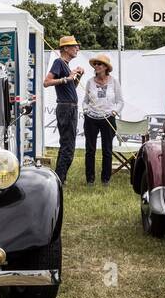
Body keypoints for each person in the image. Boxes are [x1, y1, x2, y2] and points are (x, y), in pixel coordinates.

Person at [43, 35, 84, 183]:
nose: (77, 48)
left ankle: (60, 177)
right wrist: (67, 78)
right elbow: (46, 82)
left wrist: (77, 76)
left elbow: (70, 87)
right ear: (65, 48)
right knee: (68, 146)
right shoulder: (58, 62)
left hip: (69, 107)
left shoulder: (66, 65)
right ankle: (59, 179)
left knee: (66, 145)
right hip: (66, 107)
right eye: (74, 46)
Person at [80, 53, 123, 186]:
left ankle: (106, 179)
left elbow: (120, 101)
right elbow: (85, 101)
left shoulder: (114, 81)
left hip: (108, 119)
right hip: (91, 119)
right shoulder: (89, 82)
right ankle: (90, 180)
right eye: (95, 64)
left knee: (107, 150)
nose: (97, 66)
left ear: (106, 67)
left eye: (100, 64)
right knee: (90, 150)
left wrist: (115, 111)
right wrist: (86, 111)